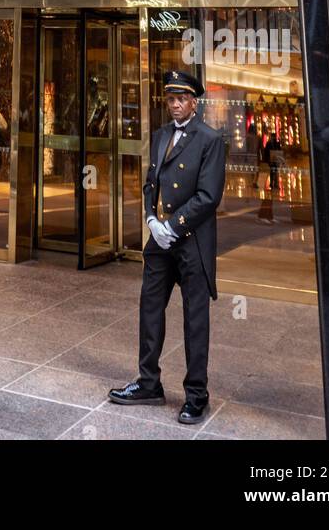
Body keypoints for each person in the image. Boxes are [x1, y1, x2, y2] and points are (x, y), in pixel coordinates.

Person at [108, 67, 227, 425]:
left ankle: (196, 395)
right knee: (149, 311)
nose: (174, 105)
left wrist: (172, 226)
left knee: (194, 322)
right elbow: (150, 184)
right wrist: (149, 220)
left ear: (194, 102)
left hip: (191, 243)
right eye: (171, 99)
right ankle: (148, 383)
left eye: (181, 99)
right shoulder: (160, 135)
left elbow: (209, 196)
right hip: (159, 241)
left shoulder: (209, 139)